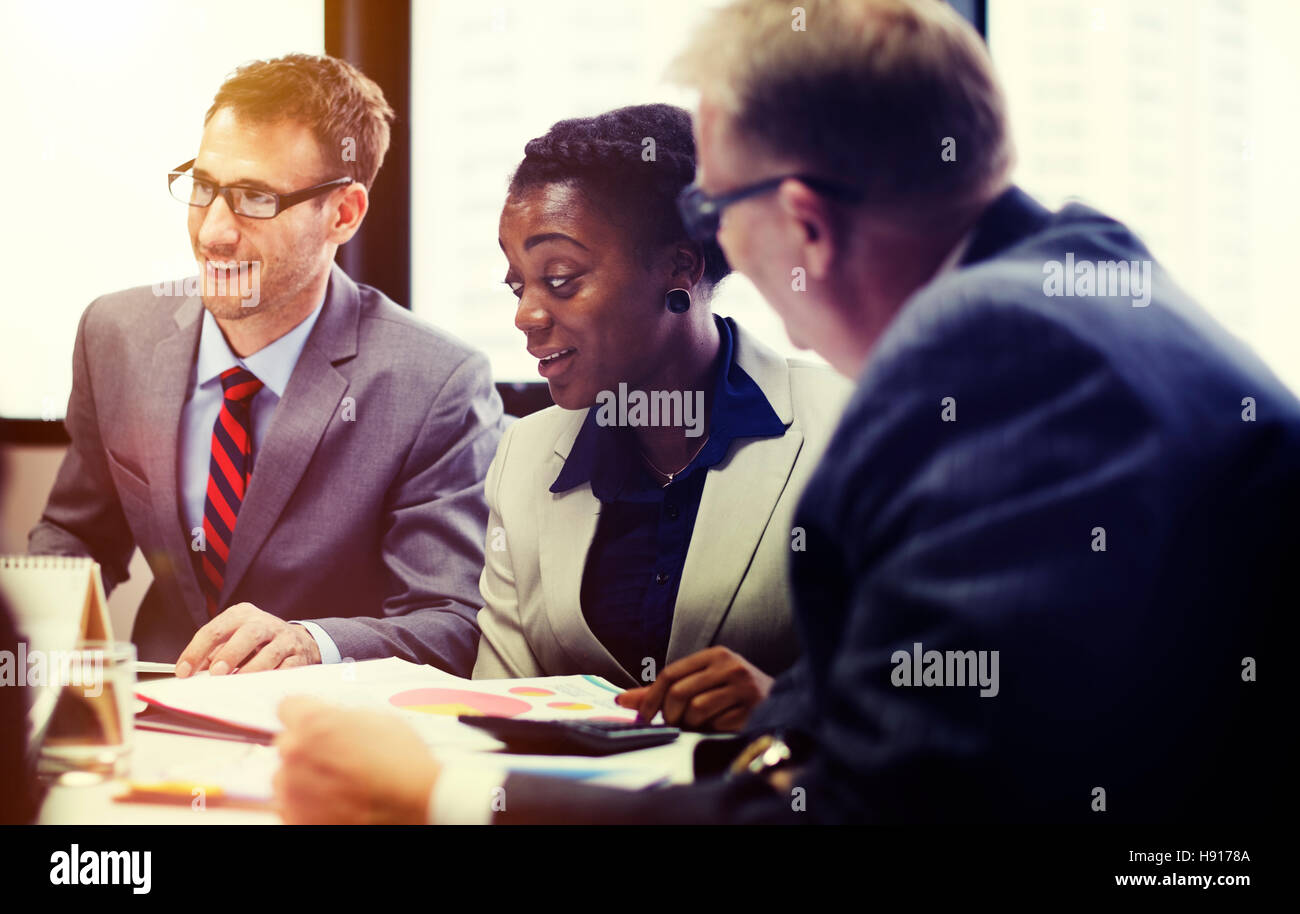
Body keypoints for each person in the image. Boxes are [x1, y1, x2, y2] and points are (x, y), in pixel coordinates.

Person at [274, 0, 1293, 823]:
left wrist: (442, 794)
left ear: (802, 219)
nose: (714, 250)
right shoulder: (1079, 276)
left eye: (716, 210)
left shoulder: (988, 363)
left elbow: (874, 810)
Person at [29, 54, 502, 676]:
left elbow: (451, 620)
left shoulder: (435, 382)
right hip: (159, 712)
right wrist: (28, 631)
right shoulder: (114, 335)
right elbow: (79, 537)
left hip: (332, 734)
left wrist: (312, 644)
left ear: (344, 213)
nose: (214, 233)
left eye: (255, 198)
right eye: (203, 188)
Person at [477, 104, 849, 732]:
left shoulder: (845, 428)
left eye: (561, 278)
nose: (527, 315)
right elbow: (500, 704)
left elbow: (931, 701)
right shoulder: (524, 457)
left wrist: (788, 707)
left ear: (680, 267)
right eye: (520, 287)